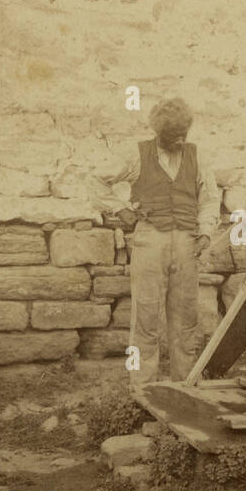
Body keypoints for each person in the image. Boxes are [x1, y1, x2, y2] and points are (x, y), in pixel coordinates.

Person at [92, 98, 220, 388]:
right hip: (150, 238)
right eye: (173, 133)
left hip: (187, 242)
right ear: (158, 131)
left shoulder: (198, 156)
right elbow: (95, 181)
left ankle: (185, 385)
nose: (180, 138)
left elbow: (210, 198)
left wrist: (206, 232)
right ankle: (141, 386)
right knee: (145, 315)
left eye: (183, 132)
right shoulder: (137, 154)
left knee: (186, 317)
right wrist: (119, 208)